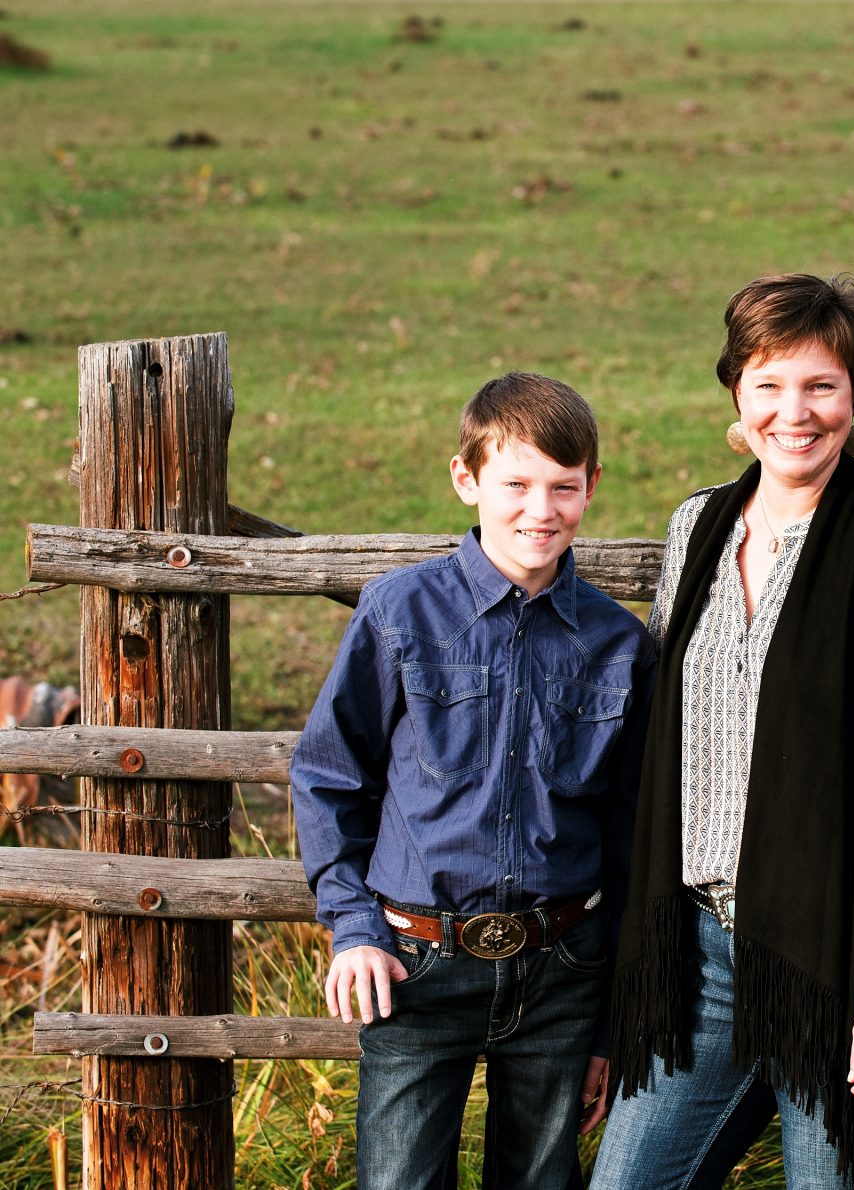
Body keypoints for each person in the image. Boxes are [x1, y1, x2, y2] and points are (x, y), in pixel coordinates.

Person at [593, 273, 854, 1190]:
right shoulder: (698, 527)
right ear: (736, 392)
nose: (794, 413)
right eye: (769, 385)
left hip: (842, 957)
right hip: (702, 952)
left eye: (821, 387)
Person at [290, 372, 656, 1190]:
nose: (541, 510)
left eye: (565, 487)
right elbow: (327, 775)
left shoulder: (618, 644)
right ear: (467, 479)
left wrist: (606, 1025)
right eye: (516, 485)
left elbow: (632, 833)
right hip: (414, 965)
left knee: (539, 1179)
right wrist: (351, 926)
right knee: (400, 1181)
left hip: (563, 967)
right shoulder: (398, 612)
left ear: (592, 486)